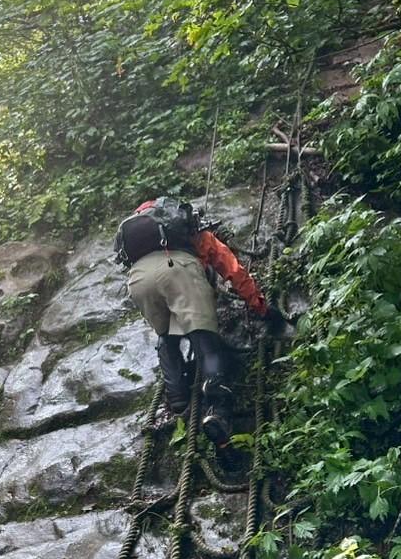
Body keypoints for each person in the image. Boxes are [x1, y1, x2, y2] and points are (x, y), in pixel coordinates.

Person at [114, 197, 284, 469]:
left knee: (167, 335)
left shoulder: (139, 240)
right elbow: (232, 269)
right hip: (178, 270)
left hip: (138, 280)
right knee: (205, 340)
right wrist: (261, 307)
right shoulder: (194, 232)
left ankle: (178, 398)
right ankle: (217, 409)